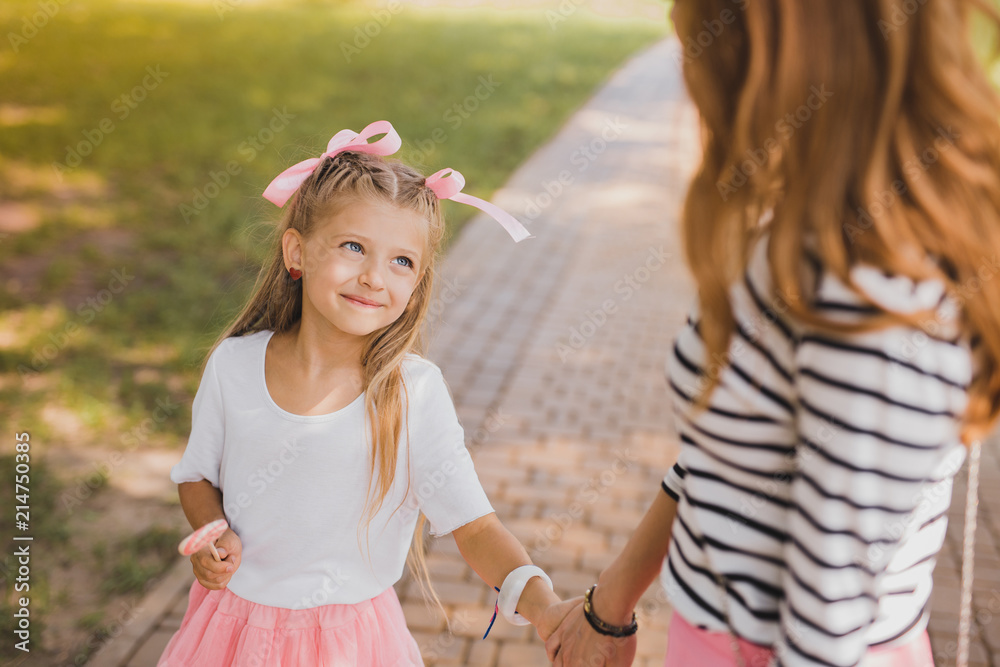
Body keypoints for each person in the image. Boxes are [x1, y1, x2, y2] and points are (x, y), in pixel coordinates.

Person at [547, 1, 1000, 666]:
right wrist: (611, 603)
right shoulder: (809, 236)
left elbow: (829, 624)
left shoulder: (867, 293)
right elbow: (729, 451)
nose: (693, 67)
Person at [157, 121, 577, 666]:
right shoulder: (234, 366)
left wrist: (545, 608)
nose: (375, 277)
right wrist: (212, 531)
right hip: (233, 633)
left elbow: (474, 525)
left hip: (351, 645)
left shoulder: (413, 393)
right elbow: (196, 475)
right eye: (354, 247)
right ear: (298, 253)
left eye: (401, 261)